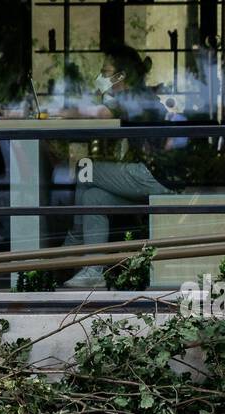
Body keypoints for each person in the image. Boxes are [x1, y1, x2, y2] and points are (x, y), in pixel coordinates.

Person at [61, 46, 199, 287]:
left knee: (86, 168)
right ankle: (93, 271)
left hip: (154, 176)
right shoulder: (139, 96)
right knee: (94, 197)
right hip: (155, 177)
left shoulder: (133, 96)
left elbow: (100, 114)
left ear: (121, 75)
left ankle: (72, 246)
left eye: (106, 71)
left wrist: (59, 111)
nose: (101, 76)